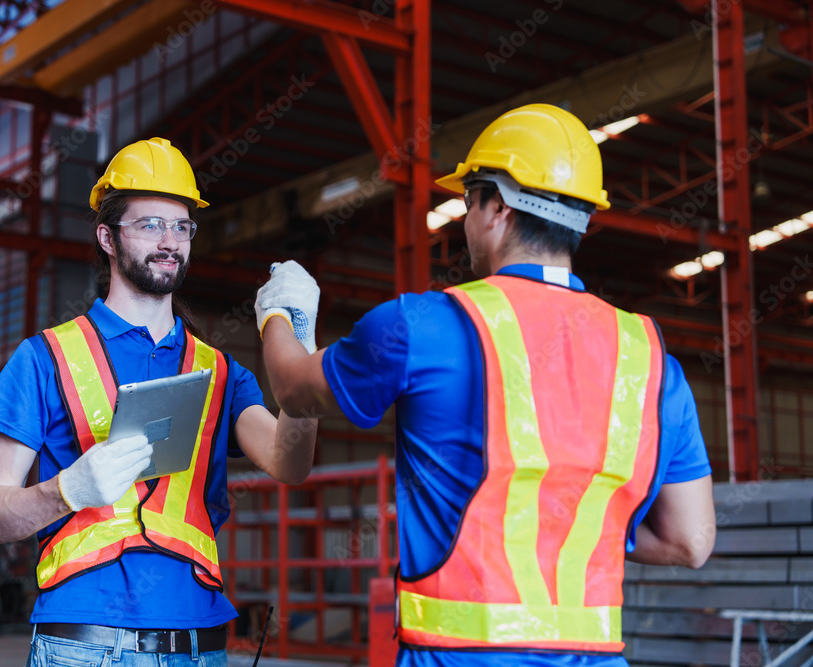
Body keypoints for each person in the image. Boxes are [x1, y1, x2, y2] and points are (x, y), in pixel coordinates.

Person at [255, 104, 716, 666]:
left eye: (467, 200)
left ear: (496, 206)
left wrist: (281, 314)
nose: (464, 218)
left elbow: (295, 389)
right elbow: (690, 540)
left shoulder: (422, 325)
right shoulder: (650, 357)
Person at [0, 137, 318, 666]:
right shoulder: (43, 358)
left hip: (198, 647)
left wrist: (302, 349)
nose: (170, 240)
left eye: (181, 226)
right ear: (107, 238)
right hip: (81, 645)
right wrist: (67, 489)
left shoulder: (221, 373)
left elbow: (291, 463)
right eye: (150, 224)